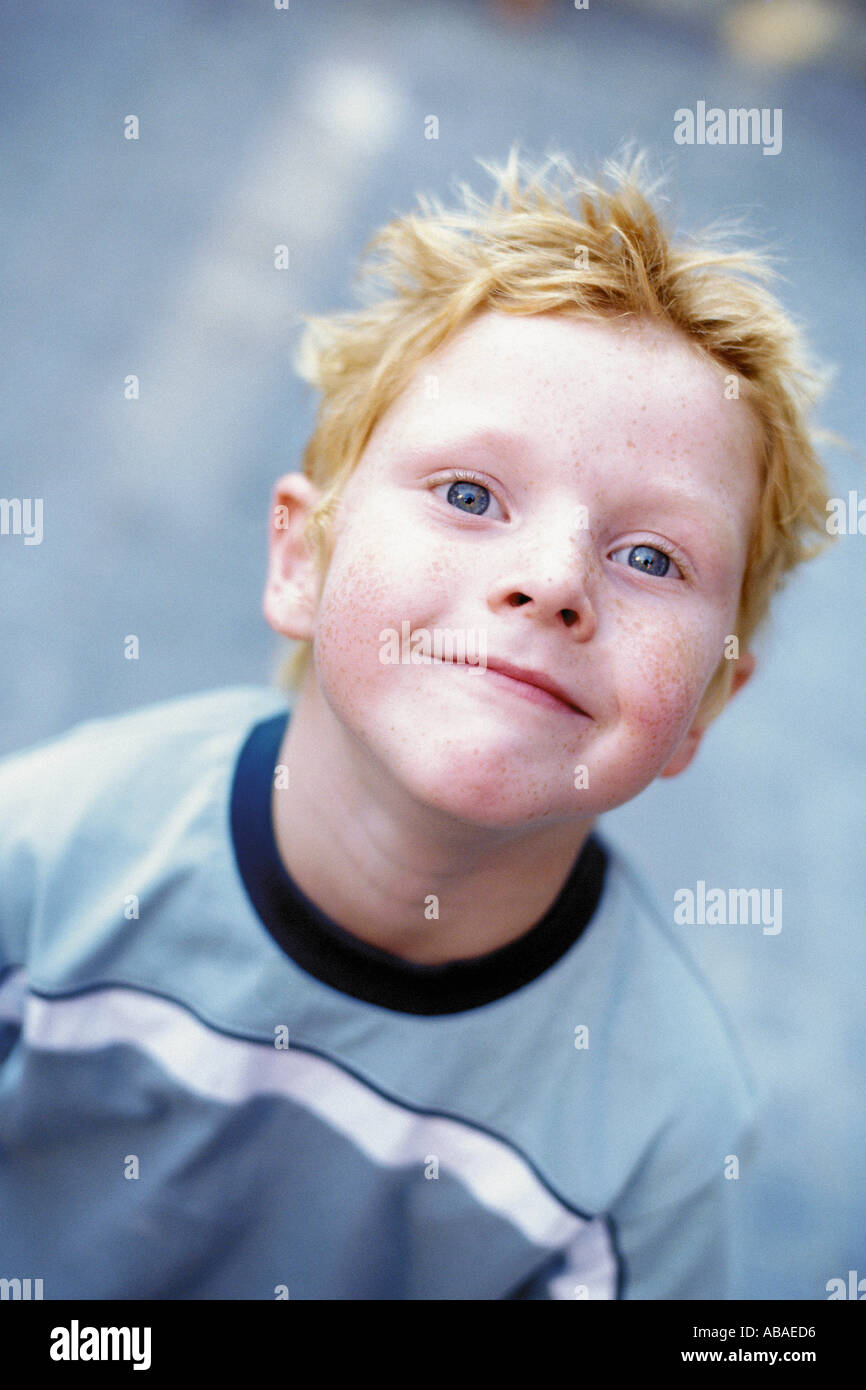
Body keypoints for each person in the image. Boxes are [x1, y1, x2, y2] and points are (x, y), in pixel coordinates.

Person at [0, 149, 832, 1299]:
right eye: (469, 495)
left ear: (703, 706)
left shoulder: (659, 1135)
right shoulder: (41, 861)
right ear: (302, 555)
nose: (551, 581)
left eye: (649, 556)